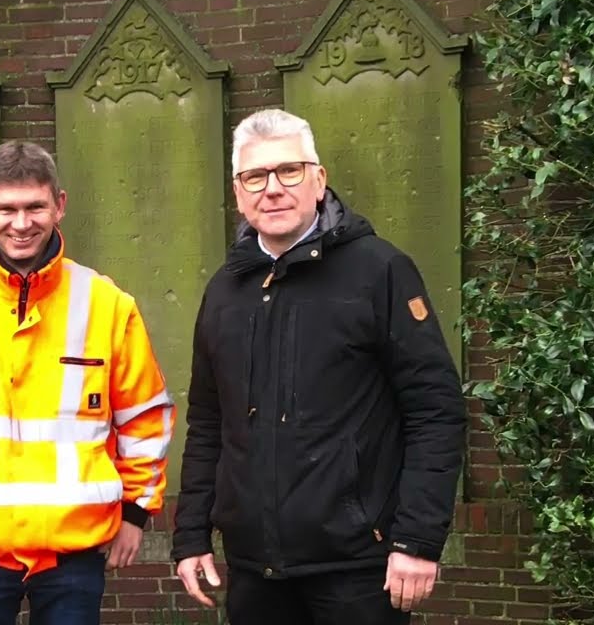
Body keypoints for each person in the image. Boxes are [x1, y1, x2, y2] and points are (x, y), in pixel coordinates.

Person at [171, 109, 467, 624]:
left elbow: (434, 411)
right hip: (254, 569)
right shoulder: (225, 290)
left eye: (289, 171)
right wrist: (191, 534)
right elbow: (208, 423)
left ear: (319, 179)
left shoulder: (379, 270)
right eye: (255, 177)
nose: (273, 189)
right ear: (238, 193)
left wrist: (417, 540)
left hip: (358, 568)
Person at [0, 140, 175, 625]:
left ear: (59, 205)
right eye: (7, 209)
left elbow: (144, 417)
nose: (21, 223)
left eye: (35, 207)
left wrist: (135, 513)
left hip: (73, 552)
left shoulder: (108, 304)